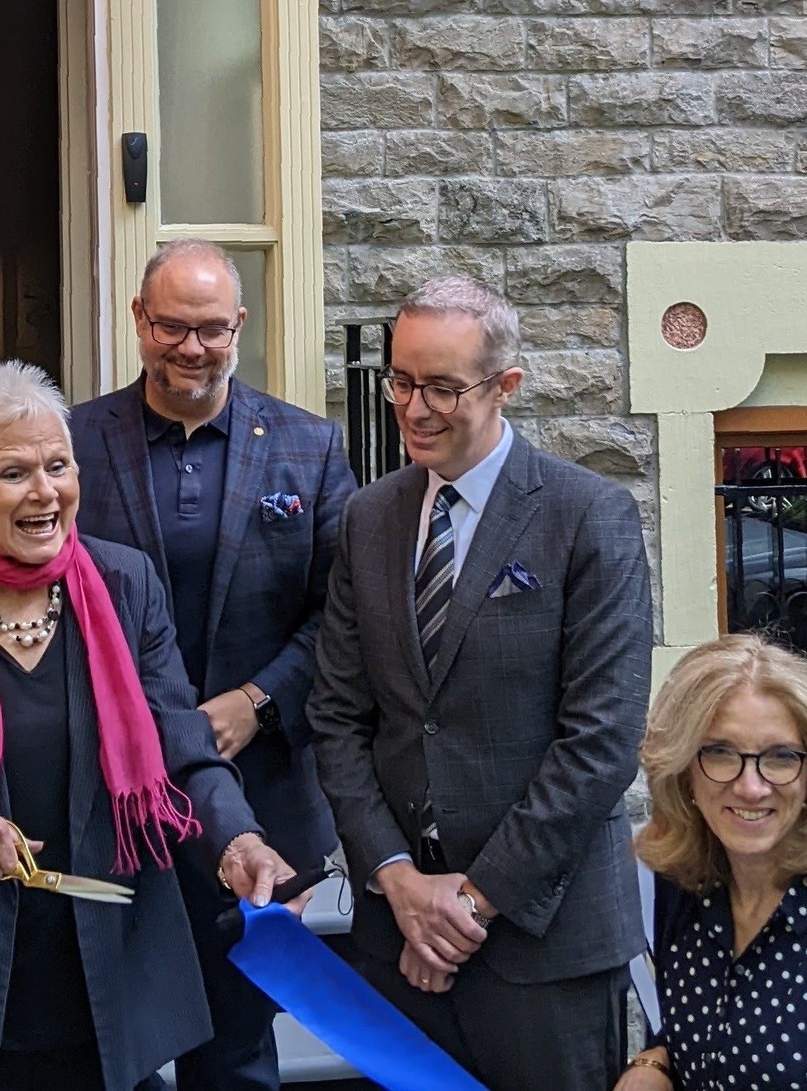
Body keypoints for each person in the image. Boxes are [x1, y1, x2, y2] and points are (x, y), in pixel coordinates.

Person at [0, 360, 296, 1091]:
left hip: (103, 966)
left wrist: (238, 838)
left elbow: (181, 746)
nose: (46, 492)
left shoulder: (126, 584)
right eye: (14, 473)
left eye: (59, 466)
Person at [305, 274, 654, 1090]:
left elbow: (600, 743)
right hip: (398, 939)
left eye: (442, 387)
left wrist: (471, 902)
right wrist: (397, 881)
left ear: (506, 387)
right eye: (400, 381)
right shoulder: (369, 517)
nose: (414, 407)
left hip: (545, 941)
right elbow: (340, 718)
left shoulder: (587, 515)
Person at [66, 239, 353, 1091]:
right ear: (138, 322)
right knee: (106, 1042)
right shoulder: (73, 442)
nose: (190, 347)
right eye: (171, 327)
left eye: (210, 330)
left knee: (235, 1050)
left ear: (240, 326)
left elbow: (341, 614)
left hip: (258, 788)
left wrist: (259, 701)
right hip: (111, 793)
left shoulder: (310, 447)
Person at [616, 635, 807, 1091]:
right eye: (721, 753)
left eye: (781, 757)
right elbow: (714, 1033)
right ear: (684, 769)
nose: (751, 787)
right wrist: (655, 1063)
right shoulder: (685, 884)